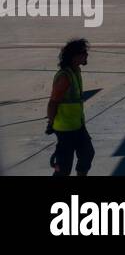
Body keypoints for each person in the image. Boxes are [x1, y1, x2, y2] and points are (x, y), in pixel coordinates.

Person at [47, 39, 94, 176]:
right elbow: (53, 102)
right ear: (75, 56)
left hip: (78, 125)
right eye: (84, 53)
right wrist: (51, 123)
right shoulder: (65, 76)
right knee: (64, 167)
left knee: (87, 154)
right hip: (65, 129)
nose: (86, 55)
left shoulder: (76, 71)